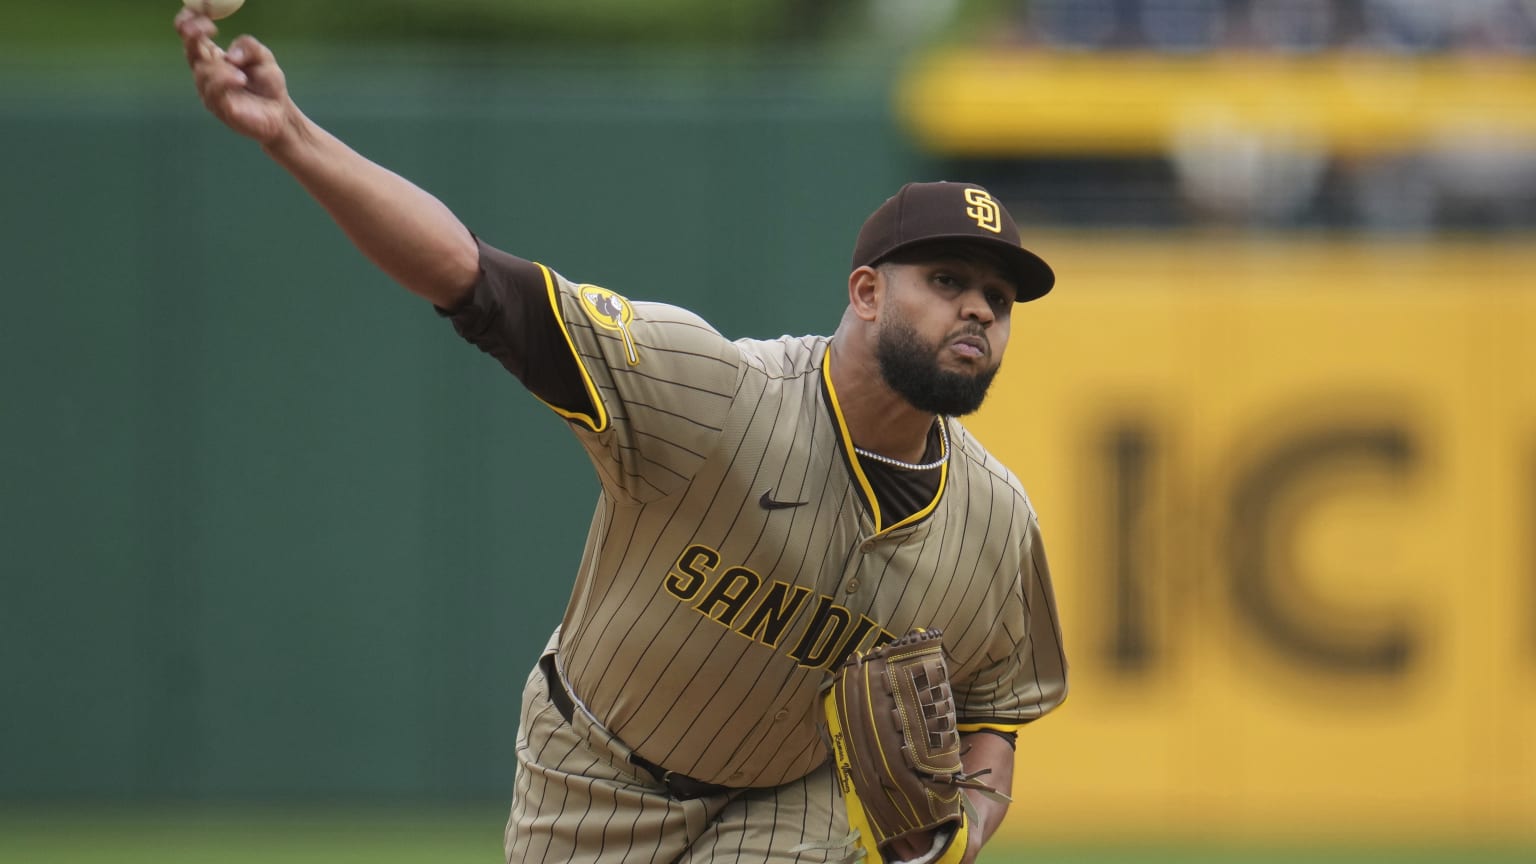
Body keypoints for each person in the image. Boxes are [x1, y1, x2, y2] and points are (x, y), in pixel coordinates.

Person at [174, 9, 1068, 863]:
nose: (978, 311)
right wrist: (291, 133)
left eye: (999, 299)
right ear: (867, 293)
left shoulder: (995, 522)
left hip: (792, 800)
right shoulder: (713, 393)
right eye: (948, 279)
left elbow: (996, 701)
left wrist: (972, 823)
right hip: (594, 772)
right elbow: (473, 279)